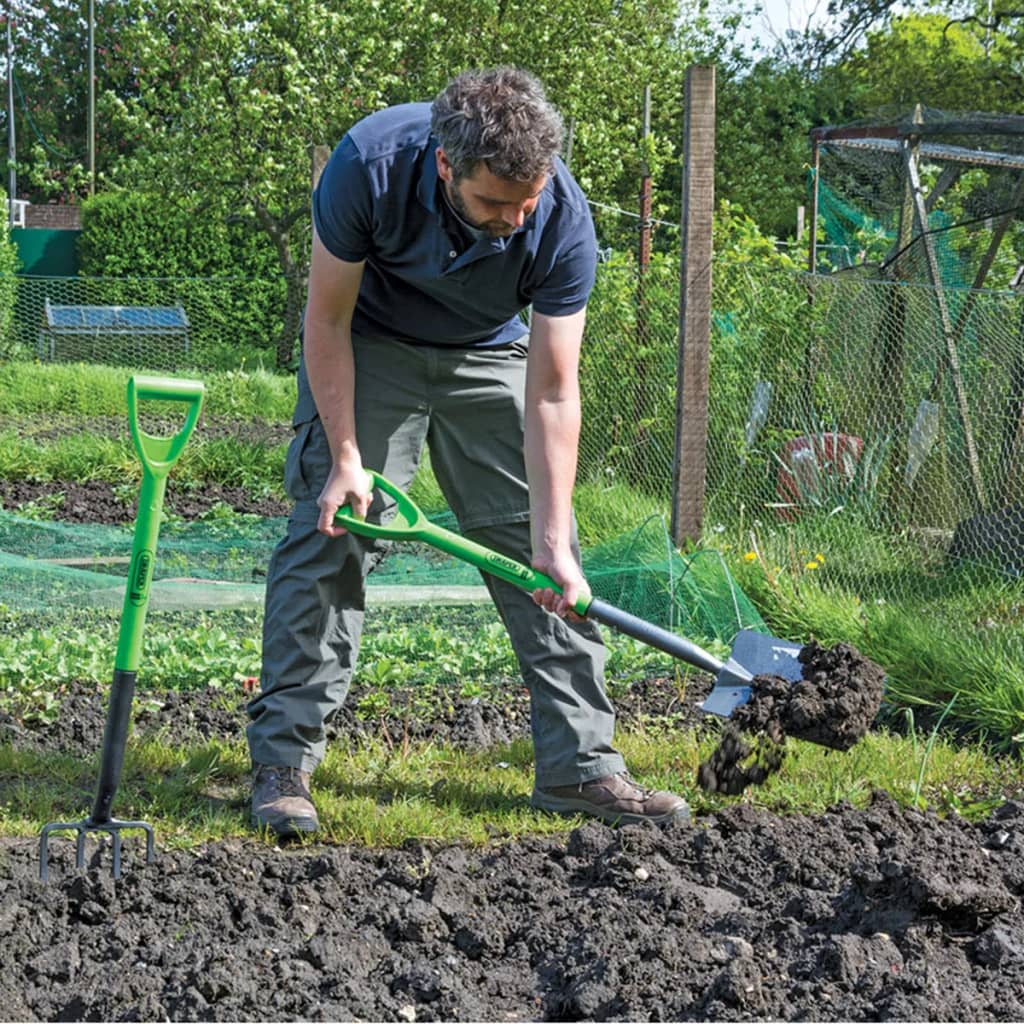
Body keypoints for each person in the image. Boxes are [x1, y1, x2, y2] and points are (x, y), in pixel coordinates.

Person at [246, 66, 689, 836]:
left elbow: (553, 391)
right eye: (494, 202)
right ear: (447, 166)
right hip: (371, 343)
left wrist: (555, 542)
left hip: (490, 351)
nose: (516, 219)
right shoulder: (369, 166)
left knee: (543, 557)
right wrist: (347, 457)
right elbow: (325, 323)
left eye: (528, 200)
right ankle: (283, 762)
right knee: (335, 531)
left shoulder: (561, 219)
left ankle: (582, 769)